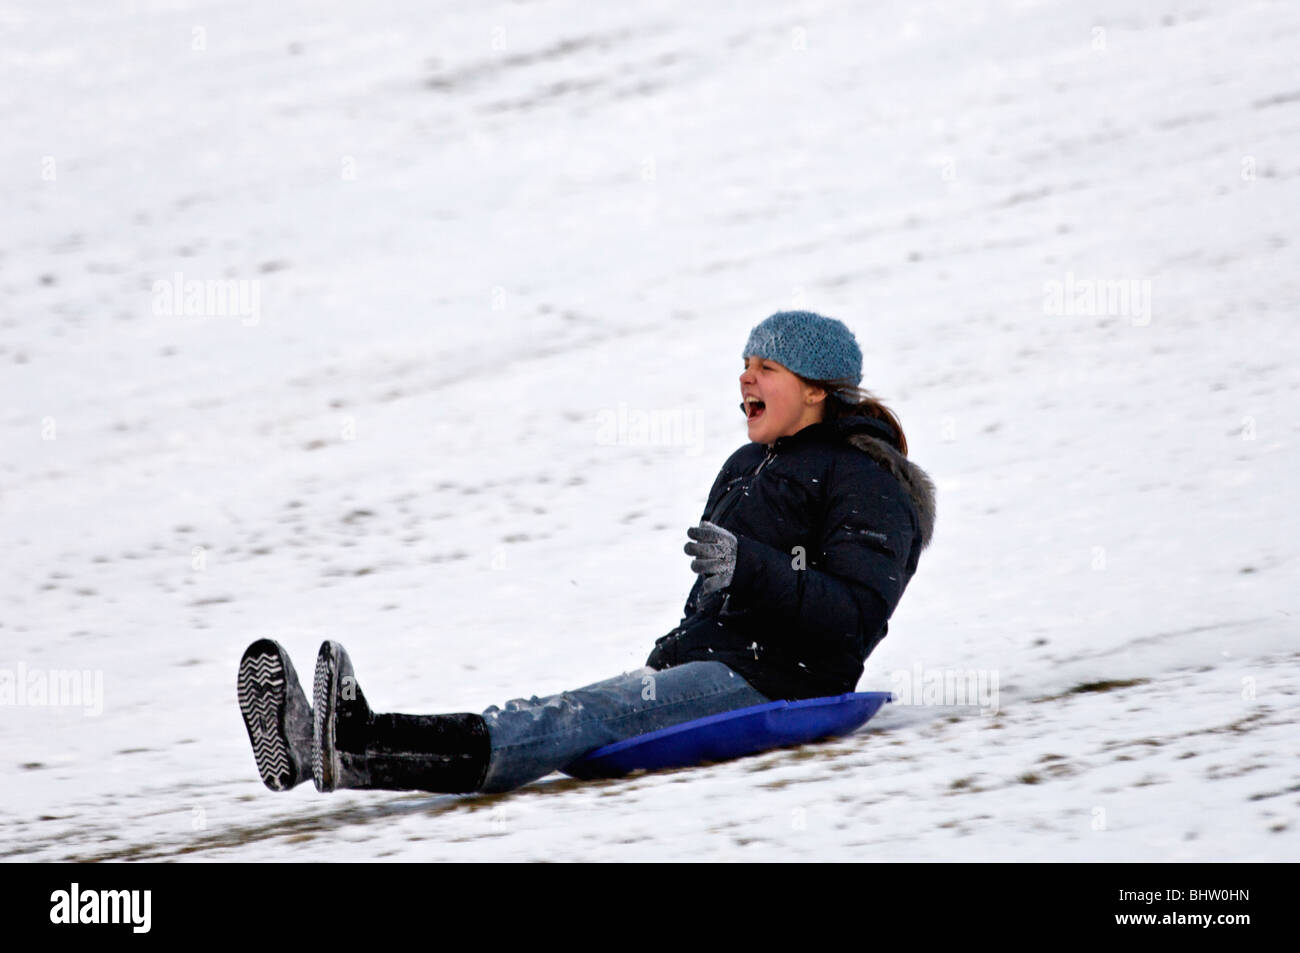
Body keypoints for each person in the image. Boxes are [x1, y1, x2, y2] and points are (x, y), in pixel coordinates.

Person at [237, 310, 936, 795]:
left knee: (563, 718)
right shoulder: (746, 464)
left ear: (816, 388)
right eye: (743, 366)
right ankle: (327, 749)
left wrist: (750, 569)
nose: (745, 380)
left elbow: (857, 614)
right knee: (558, 712)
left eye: (766, 367)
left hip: (780, 681)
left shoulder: (866, 476)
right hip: (713, 669)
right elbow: (723, 605)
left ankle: (353, 739)